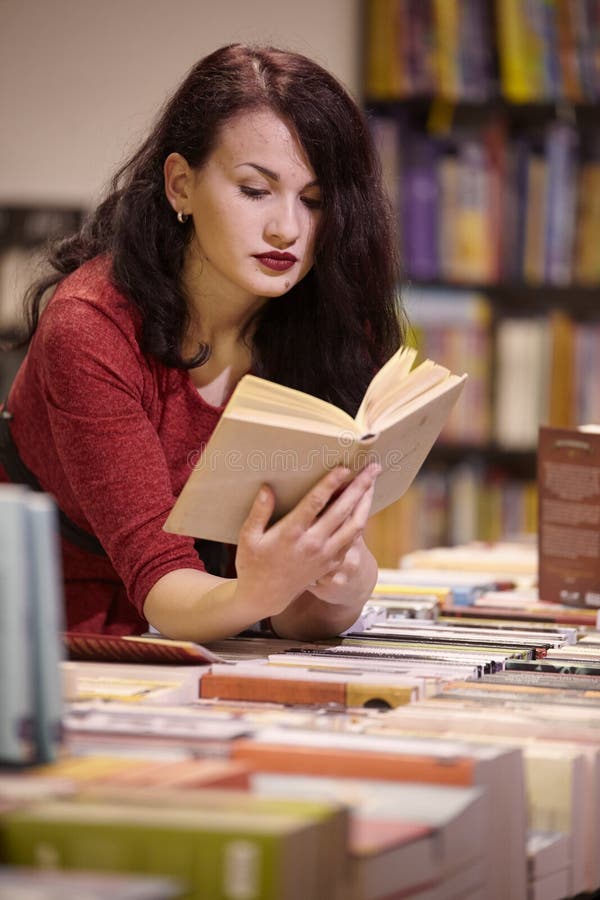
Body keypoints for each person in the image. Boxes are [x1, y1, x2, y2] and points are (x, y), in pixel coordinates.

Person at [0, 43, 404, 642]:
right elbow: (166, 585)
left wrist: (344, 583)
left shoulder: (333, 323)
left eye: (314, 201)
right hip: (47, 620)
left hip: (218, 623)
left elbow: (294, 611)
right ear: (181, 185)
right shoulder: (91, 327)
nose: (287, 229)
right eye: (254, 189)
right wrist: (262, 590)